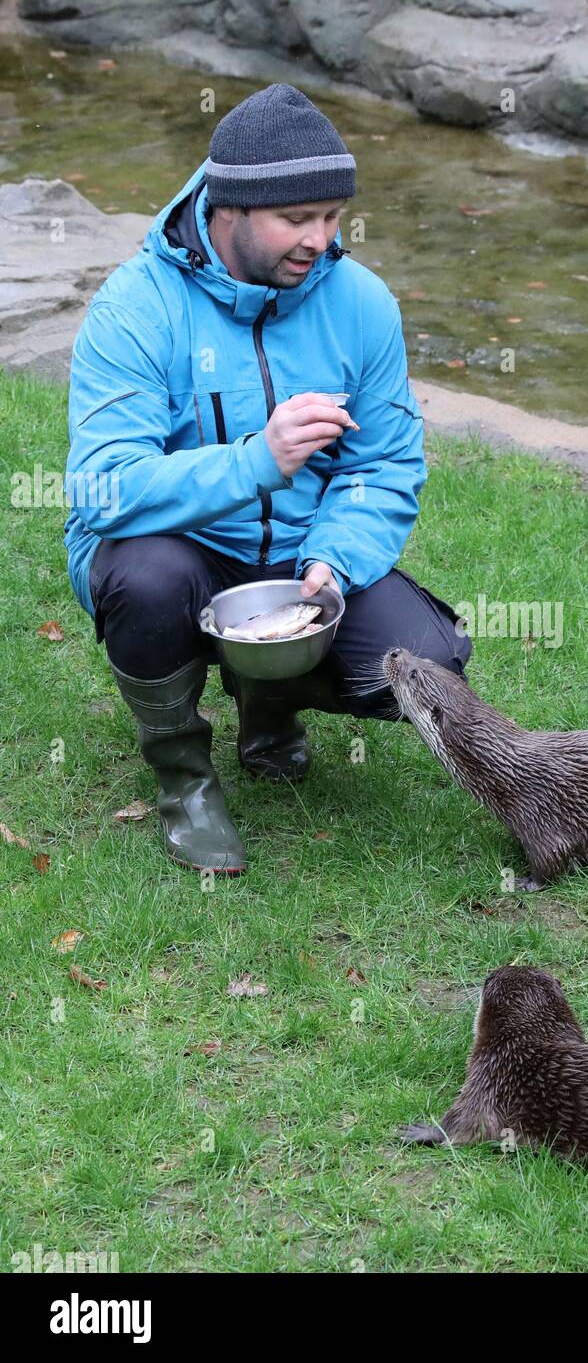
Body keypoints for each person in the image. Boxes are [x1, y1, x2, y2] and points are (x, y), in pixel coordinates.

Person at [64, 83, 471, 877]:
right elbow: (102, 487)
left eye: (332, 216)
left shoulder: (361, 304)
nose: (320, 239)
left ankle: (270, 699)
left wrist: (333, 564)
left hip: (295, 553)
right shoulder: (135, 307)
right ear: (229, 207)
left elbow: (383, 464)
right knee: (147, 580)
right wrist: (259, 459)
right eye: (297, 219)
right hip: (174, 554)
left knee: (424, 665)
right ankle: (185, 778)